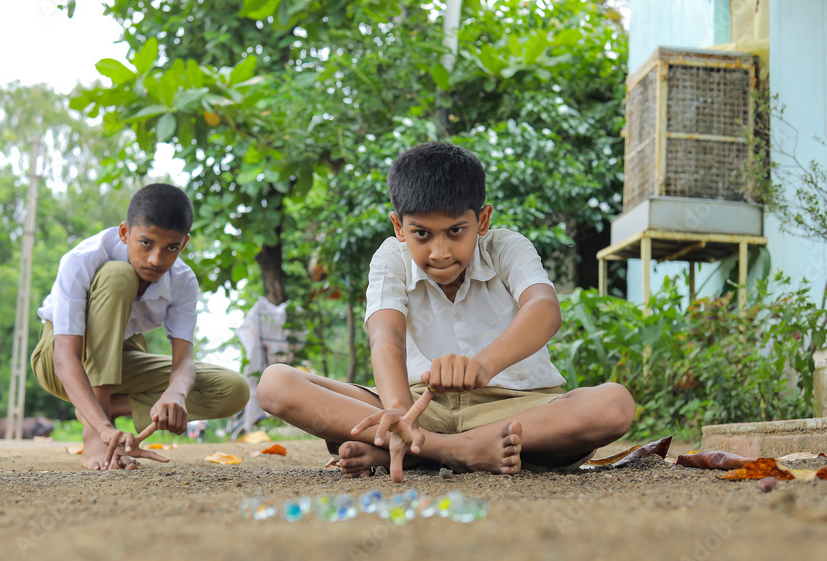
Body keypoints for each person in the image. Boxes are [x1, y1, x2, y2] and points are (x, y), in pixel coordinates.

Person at [257, 142, 635, 482]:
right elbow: (386, 336)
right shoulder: (390, 258)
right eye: (422, 233)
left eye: (456, 231)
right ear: (399, 227)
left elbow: (545, 309)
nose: (440, 252)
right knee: (276, 383)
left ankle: (417, 451)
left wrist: (484, 366)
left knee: (614, 404)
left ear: (482, 220)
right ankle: (452, 451)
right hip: (420, 406)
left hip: (515, 409)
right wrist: (400, 413)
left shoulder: (507, 247)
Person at [31, 183, 249, 470]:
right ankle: (95, 431)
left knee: (233, 389)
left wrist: (176, 393)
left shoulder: (183, 280)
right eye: (146, 243)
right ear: (124, 233)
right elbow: (64, 357)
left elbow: (184, 361)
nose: (156, 260)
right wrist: (101, 430)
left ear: (183, 244)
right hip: (61, 360)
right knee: (118, 276)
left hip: (123, 359)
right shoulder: (81, 260)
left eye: (171, 248)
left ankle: (99, 409)